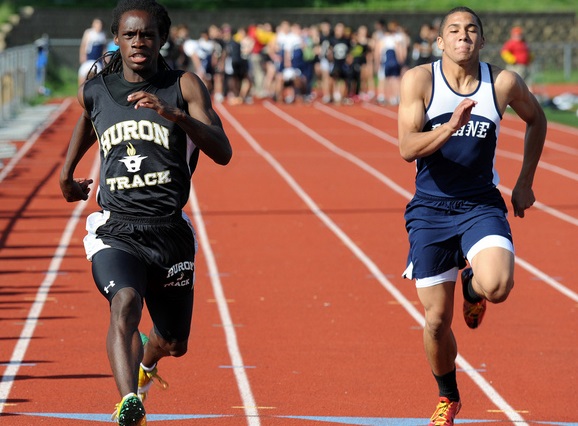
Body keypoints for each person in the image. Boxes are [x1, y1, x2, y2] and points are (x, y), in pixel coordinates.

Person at [59, 0, 232, 425]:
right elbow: (87, 115)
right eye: (131, 34)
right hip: (115, 227)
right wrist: (67, 175)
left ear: (161, 39)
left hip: (169, 231)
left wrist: (175, 115)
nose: (139, 42)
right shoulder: (97, 87)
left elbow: (223, 152)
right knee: (126, 302)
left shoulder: (184, 85)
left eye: (148, 34)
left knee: (174, 341)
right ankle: (129, 401)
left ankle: (147, 362)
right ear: (117, 39)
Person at [397, 7, 546, 426]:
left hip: (480, 203)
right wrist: (449, 127)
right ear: (440, 42)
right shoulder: (420, 80)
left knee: (498, 285)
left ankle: (473, 285)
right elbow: (407, 147)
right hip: (430, 210)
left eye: (471, 30)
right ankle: (449, 396)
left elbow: (537, 119)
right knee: (436, 321)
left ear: (481, 41)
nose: (463, 36)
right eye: (453, 30)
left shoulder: (501, 82)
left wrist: (524, 182)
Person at [78, 18, 108, 85]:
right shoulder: (88, 33)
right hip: (89, 57)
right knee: (83, 73)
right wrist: (82, 56)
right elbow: (83, 45)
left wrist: (104, 59)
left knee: (98, 75)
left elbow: (104, 48)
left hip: (98, 59)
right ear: (93, 24)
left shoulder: (103, 35)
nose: (98, 25)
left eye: (99, 24)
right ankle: (80, 90)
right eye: (96, 23)